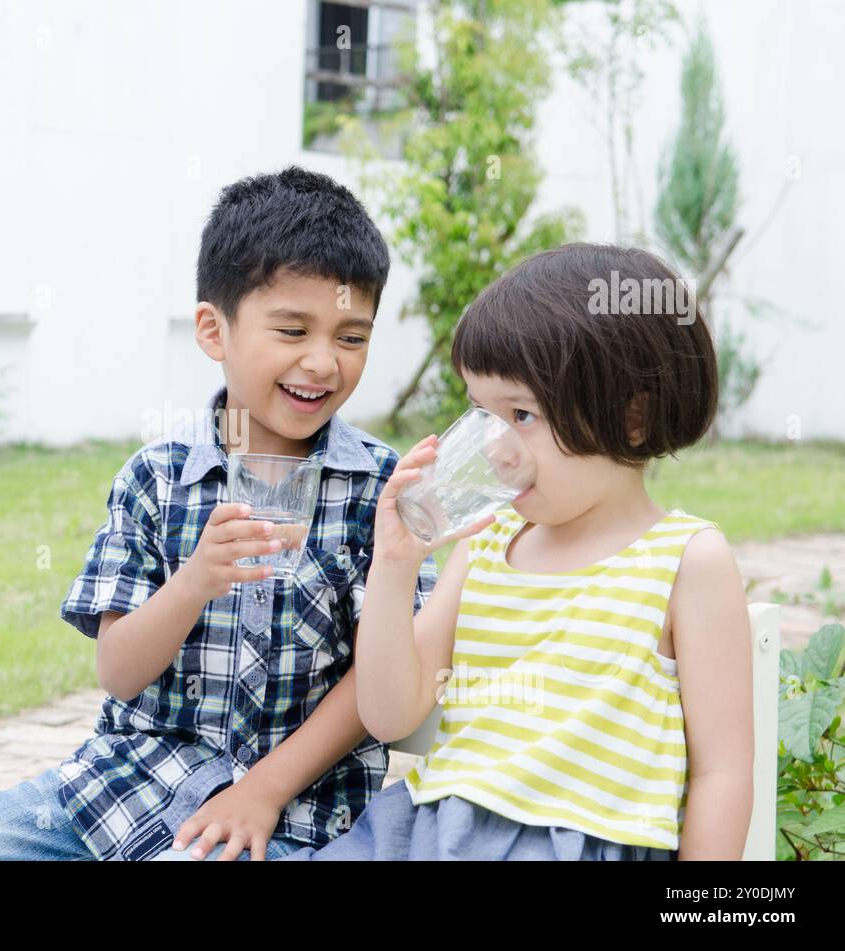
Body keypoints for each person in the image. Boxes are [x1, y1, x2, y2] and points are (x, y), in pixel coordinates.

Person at [0, 166, 438, 861]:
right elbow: (119, 672)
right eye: (293, 328)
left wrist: (265, 790)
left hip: (288, 809)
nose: (321, 361)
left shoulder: (380, 492)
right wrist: (194, 582)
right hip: (126, 788)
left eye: (351, 336)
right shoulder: (156, 480)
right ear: (214, 330)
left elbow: (385, 685)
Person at [280, 243, 754, 861]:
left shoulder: (687, 560)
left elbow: (723, 774)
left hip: (569, 843)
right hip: (423, 829)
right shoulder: (490, 542)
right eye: (482, 413)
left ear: (633, 419)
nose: (496, 448)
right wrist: (394, 565)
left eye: (523, 414)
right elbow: (390, 713)